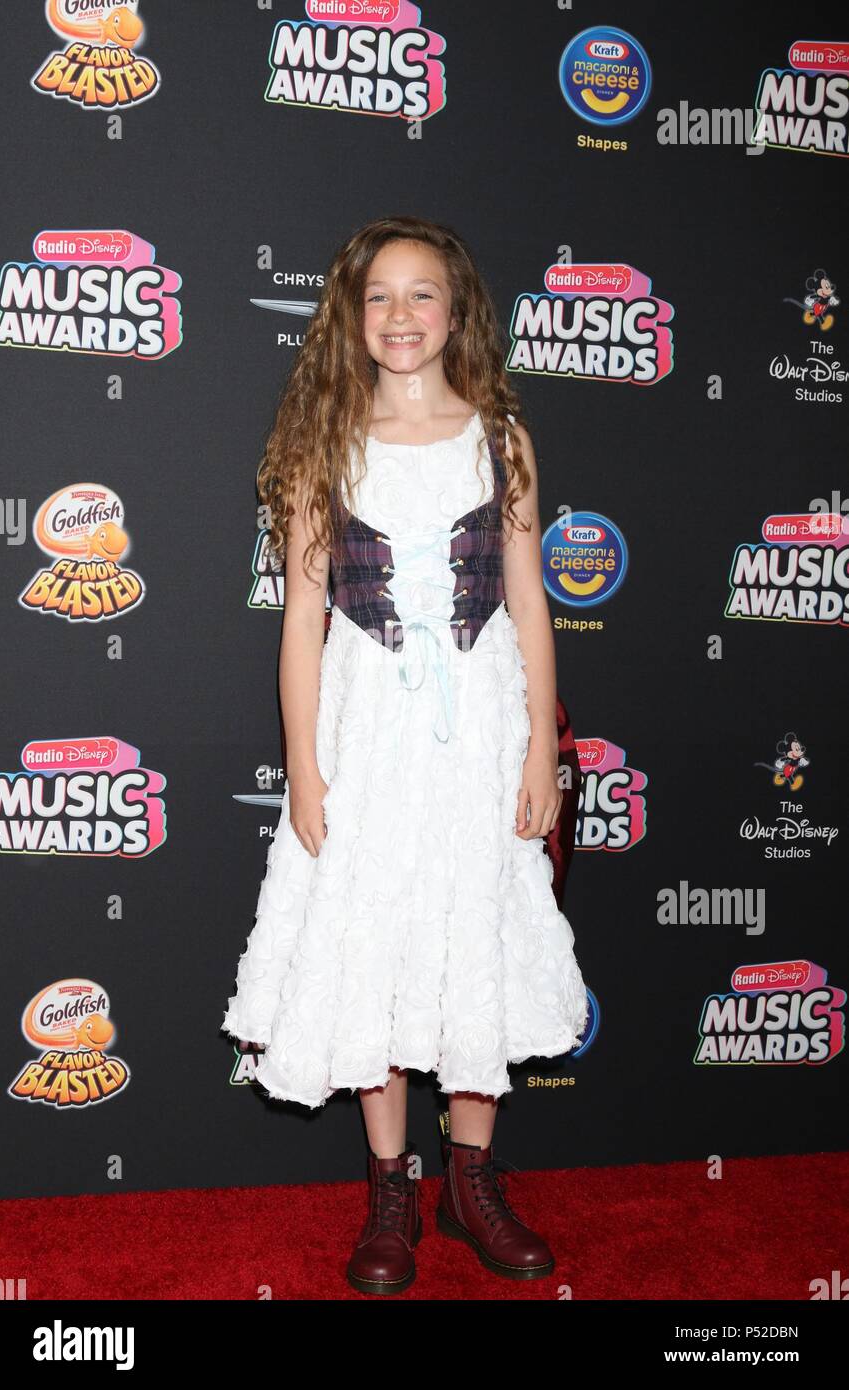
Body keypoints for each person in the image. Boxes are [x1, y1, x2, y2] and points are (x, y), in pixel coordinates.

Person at [222, 215, 589, 1296]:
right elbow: (299, 619)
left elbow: (528, 599)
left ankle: (471, 1187)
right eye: (378, 297)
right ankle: (391, 1189)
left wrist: (539, 755)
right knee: (373, 936)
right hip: (364, 723)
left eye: (420, 294)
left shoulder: (502, 437)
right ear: (350, 315)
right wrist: (302, 765)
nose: (399, 316)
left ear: (456, 310)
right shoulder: (320, 445)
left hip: (478, 726)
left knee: (471, 924)